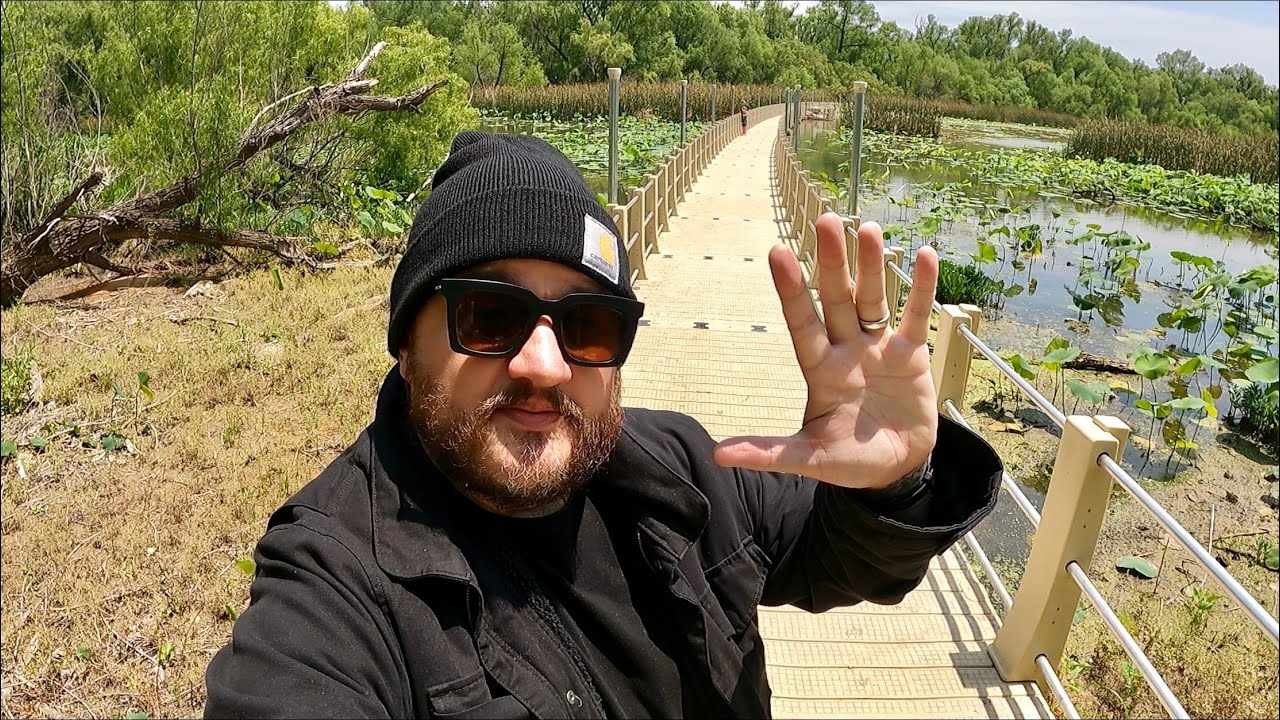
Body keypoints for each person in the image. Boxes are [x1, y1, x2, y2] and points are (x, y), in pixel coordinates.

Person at [203, 130, 1001, 719]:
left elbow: (841, 561)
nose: (543, 366)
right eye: (490, 315)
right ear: (406, 345)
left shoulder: (682, 468)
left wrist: (893, 482)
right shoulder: (341, 584)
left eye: (585, 325)